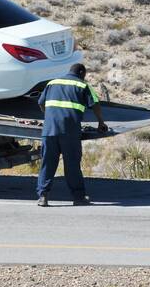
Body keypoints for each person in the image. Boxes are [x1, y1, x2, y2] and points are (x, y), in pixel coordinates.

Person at [36, 62, 108, 207]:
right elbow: (95, 104)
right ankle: (78, 197)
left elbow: (40, 102)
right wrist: (101, 123)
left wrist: (49, 117)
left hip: (49, 131)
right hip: (70, 133)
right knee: (72, 166)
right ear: (81, 73)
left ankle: (43, 197)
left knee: (47, 165)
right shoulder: (82, 85)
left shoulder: (52, 83)